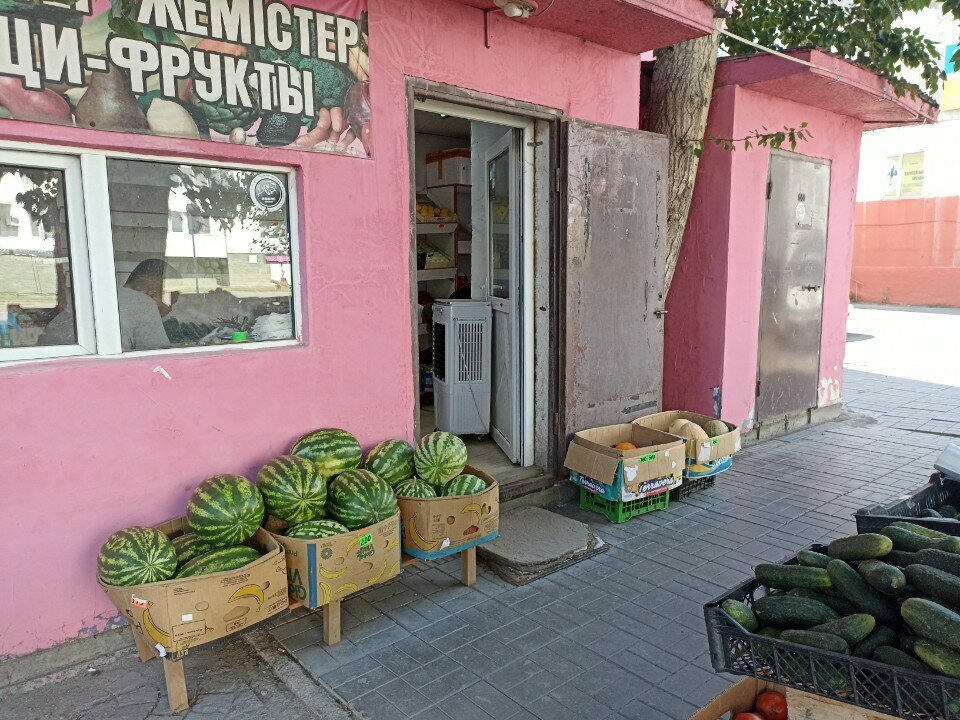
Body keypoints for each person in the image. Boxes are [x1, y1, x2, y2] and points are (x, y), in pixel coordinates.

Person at [39, 259, 179, 351]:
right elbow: (160, 364)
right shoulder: (143, 304)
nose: (170, 310)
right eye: (171, 302)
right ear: (152, 296)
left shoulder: (97, 299)